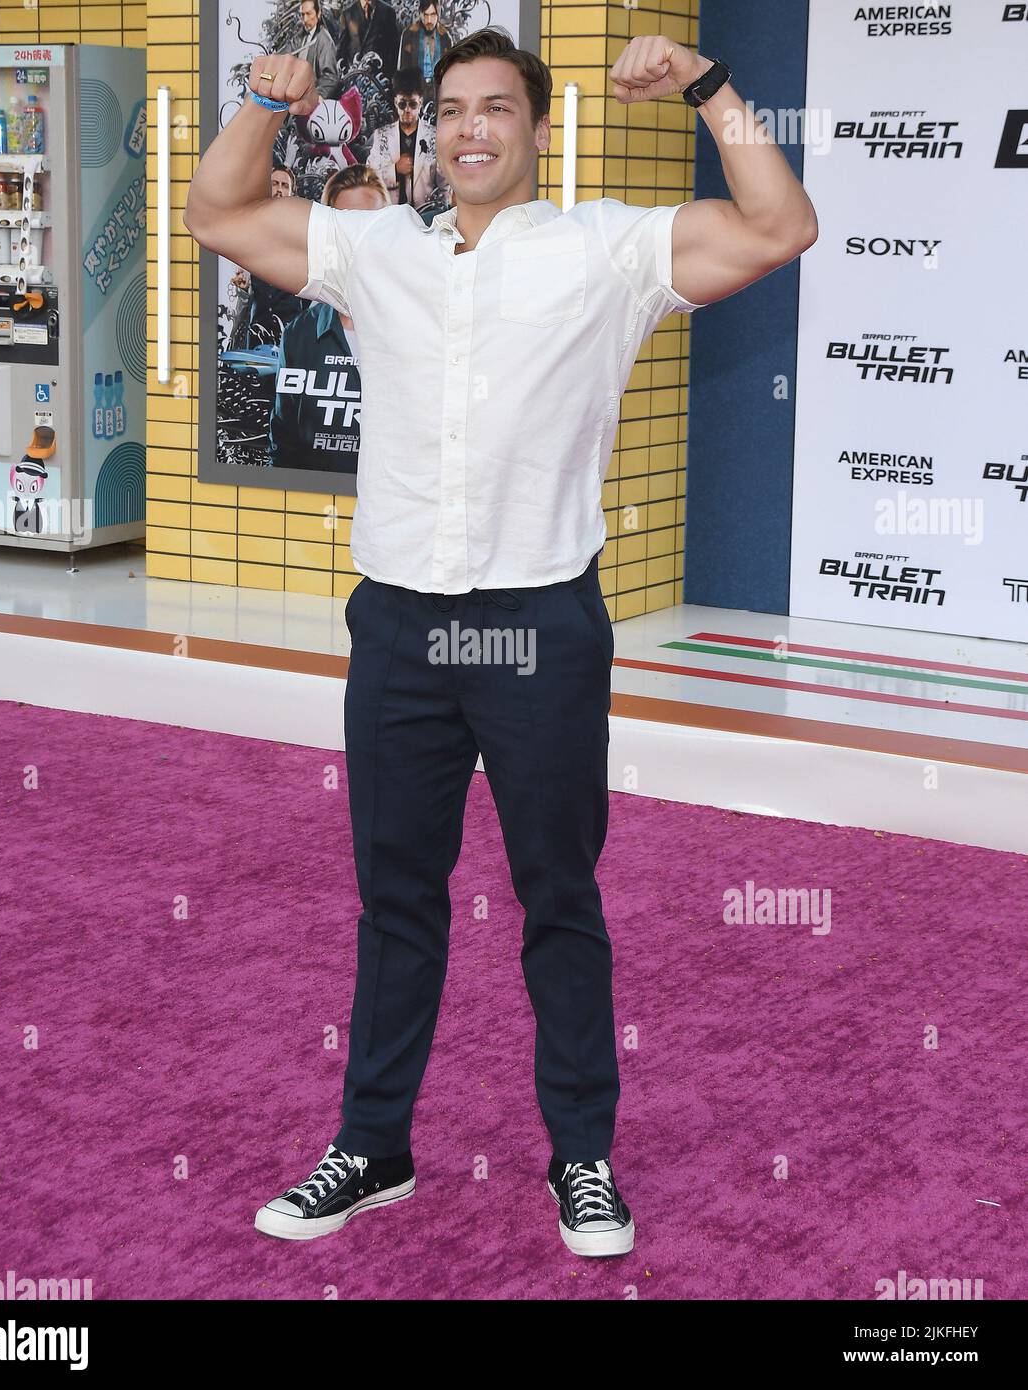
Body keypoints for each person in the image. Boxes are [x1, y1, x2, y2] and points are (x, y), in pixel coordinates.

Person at [185, 26, 818, 1259]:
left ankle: (581, 1155)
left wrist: (707, 84)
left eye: (496, 108)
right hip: (398, 627)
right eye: (453, 111)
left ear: (532, 129)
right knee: (395, 898)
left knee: (557, 897)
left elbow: (778, 223)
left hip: (537, 627)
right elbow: (218, 209)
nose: (473, 128)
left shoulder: (606, 249)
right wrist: (265, 102)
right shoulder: (371, 250)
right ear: (428, 133)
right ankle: (372, 1148)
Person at [269, 165, 390, 470]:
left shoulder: (422, 324)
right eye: (345, 226)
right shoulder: (300, 336)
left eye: (371, 225)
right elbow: (284, 444)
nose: (357, 239)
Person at [226, 164, 301, 350]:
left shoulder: (301, 232)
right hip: (256, 330)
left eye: (285, 185)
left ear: (292, 193)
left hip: (291, 331)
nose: (279, 189)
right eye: (275, 184)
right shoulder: (248, 228)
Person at [366, 66, 445, 208]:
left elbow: (445, 183)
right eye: (402, 104)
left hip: (425, 217)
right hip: (389, 216)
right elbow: (369, 178)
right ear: (396, 103)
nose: (407, 110)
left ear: (420, 102)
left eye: (413, 104)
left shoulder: (435, 136)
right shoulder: (381, 136)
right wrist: (394, 170)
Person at [397, 1, 451, 105]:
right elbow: (402, 71)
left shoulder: (445, 37)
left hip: (439, 94)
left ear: (438, 14)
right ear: (420, 14)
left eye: (433, 15)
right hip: (414, 93)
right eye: (425, 15)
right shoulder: (409, 34)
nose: (429, 20)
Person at [335, 0, 399, 81]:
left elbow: (394, 48)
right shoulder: (347, 14)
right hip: (355, 78)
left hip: (380, 79)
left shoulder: (388, 12)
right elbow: (341, 51)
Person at [290, 0, 339, 99]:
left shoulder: (324, 41)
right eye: (302, 15)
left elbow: (330, 77)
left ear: (318, 14)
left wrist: (318, 96)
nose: (305, 19)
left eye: (308, 14)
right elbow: (288, 51)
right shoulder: (300, 36)